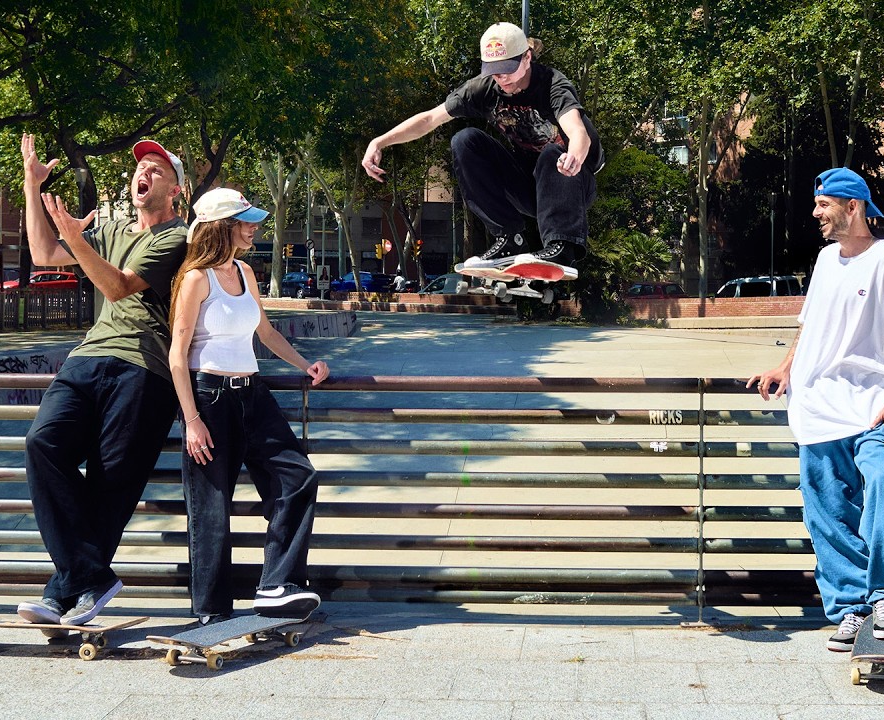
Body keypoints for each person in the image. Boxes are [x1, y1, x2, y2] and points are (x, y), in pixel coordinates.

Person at [746, 167, 884, 651]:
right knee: (827, 512)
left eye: (824, 204)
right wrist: (785, 367)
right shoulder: (825, 260)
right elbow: (810, 325)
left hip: (875, 408)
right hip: (816, 408)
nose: (816, 213)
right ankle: (852, 608)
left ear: (853, 207)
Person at [17, 135, 188, 625]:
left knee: (110, 484)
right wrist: (32, 187)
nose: (144, 174)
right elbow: (43, 252)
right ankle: (89, 578)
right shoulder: (110, 229)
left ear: (175, 190)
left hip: (145, 369)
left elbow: (117, 287)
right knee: (42, 444)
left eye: (157, 170)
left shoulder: (177, 237)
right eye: (141, 168)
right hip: (88, 358)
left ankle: (62, 592)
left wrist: (75, 238)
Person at [168, 187, 330, 624]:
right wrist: (192, 419)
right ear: (221, 227)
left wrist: (306, 365)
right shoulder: (196, 278)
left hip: (252, 394)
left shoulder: (244, 271)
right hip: (209, 398)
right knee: (211, 508)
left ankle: (278, 584)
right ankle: (211, 612)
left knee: (297, 477)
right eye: (245, 221)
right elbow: (177, 355)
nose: (253, 228)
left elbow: (267, 333)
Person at [361, 21, 602, 274]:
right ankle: (509, 238)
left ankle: (561, 246)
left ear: (527, 58)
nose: (502, 78)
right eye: (495, 71)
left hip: (571, 184)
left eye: (507, 69)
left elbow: (578, 132)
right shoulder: (483, 89)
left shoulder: (552, 84)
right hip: (527, 187)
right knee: (465, 141)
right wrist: (379, 141)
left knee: (552, 152)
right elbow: (429, 119)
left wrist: (574, 156)